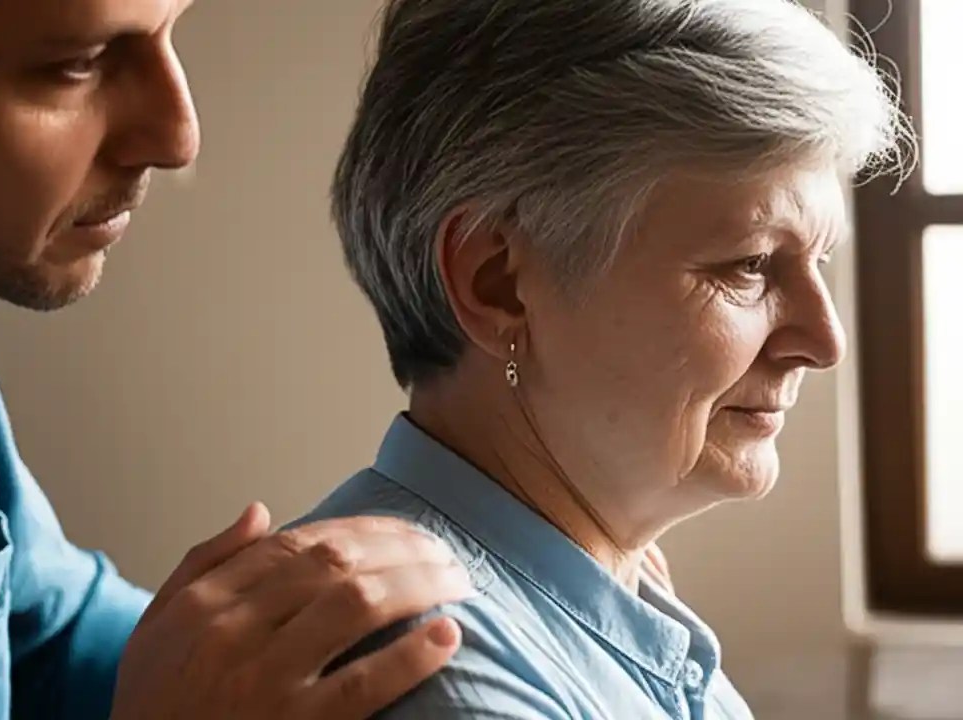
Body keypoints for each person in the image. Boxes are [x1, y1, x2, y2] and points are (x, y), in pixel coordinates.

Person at [0, 0, 477, 718]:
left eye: (171, 31)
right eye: (77, 65)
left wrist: (277, 658)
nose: (178, 137)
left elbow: (40, 641)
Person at [293, 0, 911, 717]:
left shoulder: (600, 598)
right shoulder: (444, 680)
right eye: (749, 265)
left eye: (819, 259)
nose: (825, 341)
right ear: (497, 285)